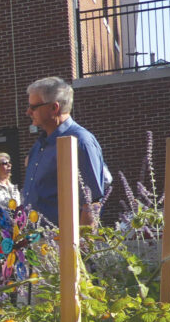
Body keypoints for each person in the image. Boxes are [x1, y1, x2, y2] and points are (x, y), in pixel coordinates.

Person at [22, 76, 111, 226]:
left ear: (54, 108)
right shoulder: (40, 145)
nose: (28, 112)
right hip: (37, 241)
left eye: (33, 107)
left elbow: (91, 202)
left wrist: (81, 246)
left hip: (63, 243)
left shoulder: (80, 142)